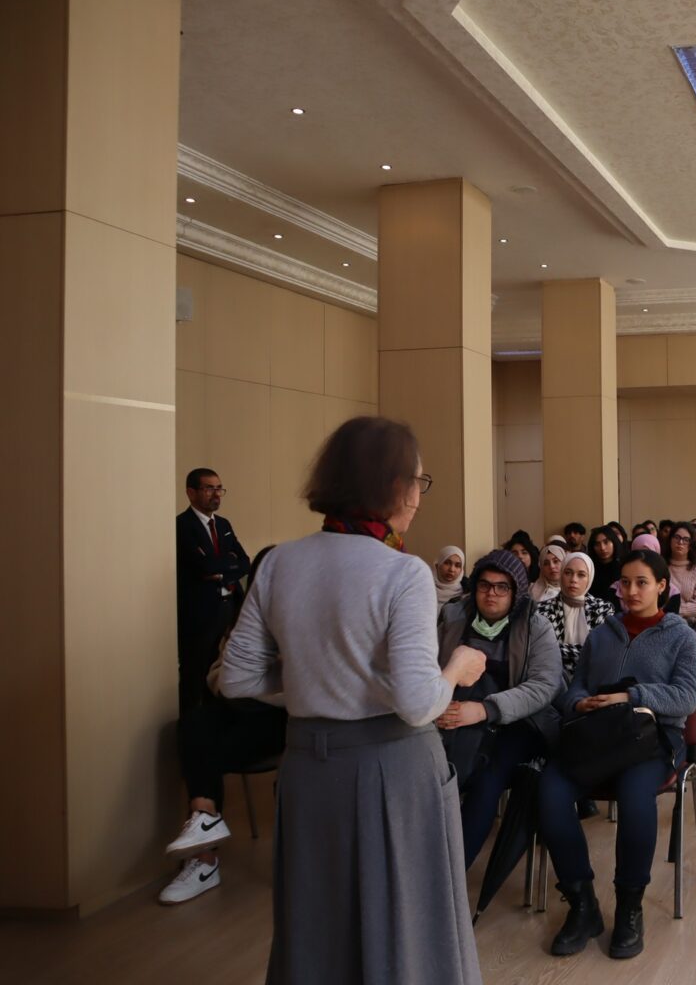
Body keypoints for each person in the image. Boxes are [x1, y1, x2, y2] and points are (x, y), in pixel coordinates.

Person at [220, 416, 486, 985]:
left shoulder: (280, 561)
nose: (418, 497)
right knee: (404, 928)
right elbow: (418, 704)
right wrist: (458, 667)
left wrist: (315, 677)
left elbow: (236, 678)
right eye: (417, 481)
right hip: (391, 767)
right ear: (391, 485)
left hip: (307, 770)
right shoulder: (403, 572)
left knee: (315, 925)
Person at [538, 549, 696, 961]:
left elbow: (686, 697)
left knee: (634, 797)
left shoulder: (681, 636)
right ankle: (582, 904)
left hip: (651, 739)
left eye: (641, 582)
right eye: (625, 583)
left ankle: (630, 905)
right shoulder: (603, 634)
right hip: (598, 736)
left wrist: (631, 695)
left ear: (662, 586)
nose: (631, 591)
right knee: (550, 791)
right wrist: (579, 703)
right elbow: (577, 685)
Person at [160, 545, 287, 905]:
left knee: (207, 745)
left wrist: (253, 683)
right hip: (240, 710)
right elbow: (218, 678)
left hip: (285, 721)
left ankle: (205, 839)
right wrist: (255, 682)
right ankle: (204, 835)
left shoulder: (307, 619)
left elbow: (304, 687)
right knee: (194, 724)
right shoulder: (242, 619)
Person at [436, 550, 563, 869]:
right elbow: (430, 667)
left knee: (488, 779)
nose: (491, 593)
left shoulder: (535, 626)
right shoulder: (453, 618)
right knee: (426, 771)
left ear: (516, 591)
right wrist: (440, 704)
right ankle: (416, 868)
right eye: (484, 585)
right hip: (452, 715)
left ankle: (451, 874)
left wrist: (484, 710)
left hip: (515, 722)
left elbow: (544, 685)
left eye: (501, 587)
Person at [177, 468, 251, 715]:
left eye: (219, 488)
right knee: (196, 670)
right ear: (191, 492)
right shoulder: (182, 525)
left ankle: (215, 719)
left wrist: (221, 572)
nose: (216, 494)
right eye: (209, 488)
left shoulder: (223, 524)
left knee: (222, 670)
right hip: (200, 611)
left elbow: (244, 562)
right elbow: (204, 566)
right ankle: (192, 722)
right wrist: (226, 565)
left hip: (229, 606)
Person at [536, 551, 617, 679]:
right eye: (568, 573)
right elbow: (540, 651)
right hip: (551, 677)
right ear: (561, 574)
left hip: (592, 678)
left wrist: (557, 650)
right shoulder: (542, 609)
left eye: (581, 575)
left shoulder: (603, 609)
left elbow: (601, 652)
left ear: (589, 578)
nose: (573, 580)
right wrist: (585, 652)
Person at [666, 523, 696, 623]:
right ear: (670, 540)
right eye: (677, 537)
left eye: (686, 539)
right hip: (660, 621)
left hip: (689, 625)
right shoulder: (661, 565)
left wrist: (672, 609)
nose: (680, 542)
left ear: (692, 544)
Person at [588, 525, 625, 598]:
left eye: (606, 542)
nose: (602, 548)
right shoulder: (589, 568)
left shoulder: (624, 567)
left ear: (614, 542)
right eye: (597, 544)